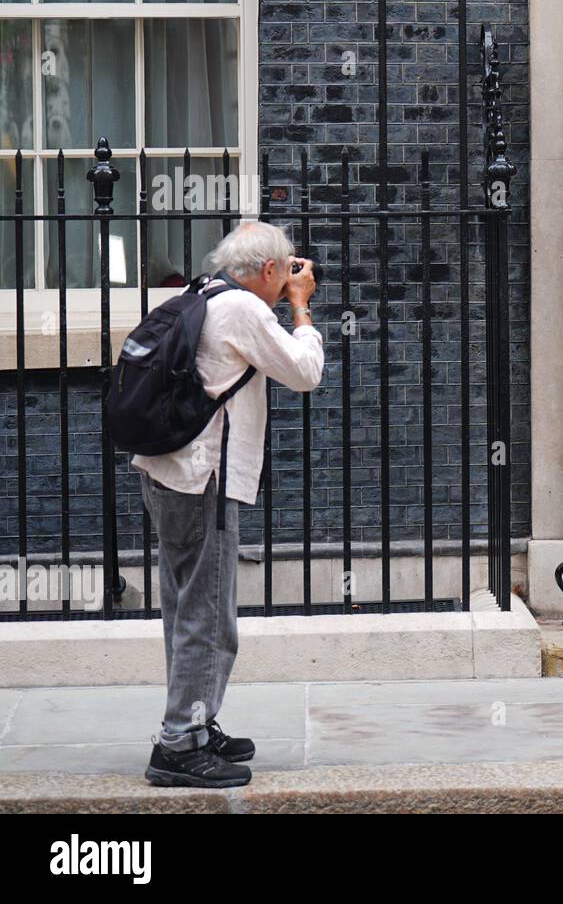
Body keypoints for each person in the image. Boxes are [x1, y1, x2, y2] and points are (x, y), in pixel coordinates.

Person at [134, 222, 324, 787]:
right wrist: (301, 306)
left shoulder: (201, 293)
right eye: (285, 269)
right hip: (203, 481)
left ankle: (196, 721)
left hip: (165, 471)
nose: (290, 276)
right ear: (268, 270)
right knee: (209, 615)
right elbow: (305, 372)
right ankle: (178, 744)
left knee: (184, 606)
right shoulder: (243, 308)